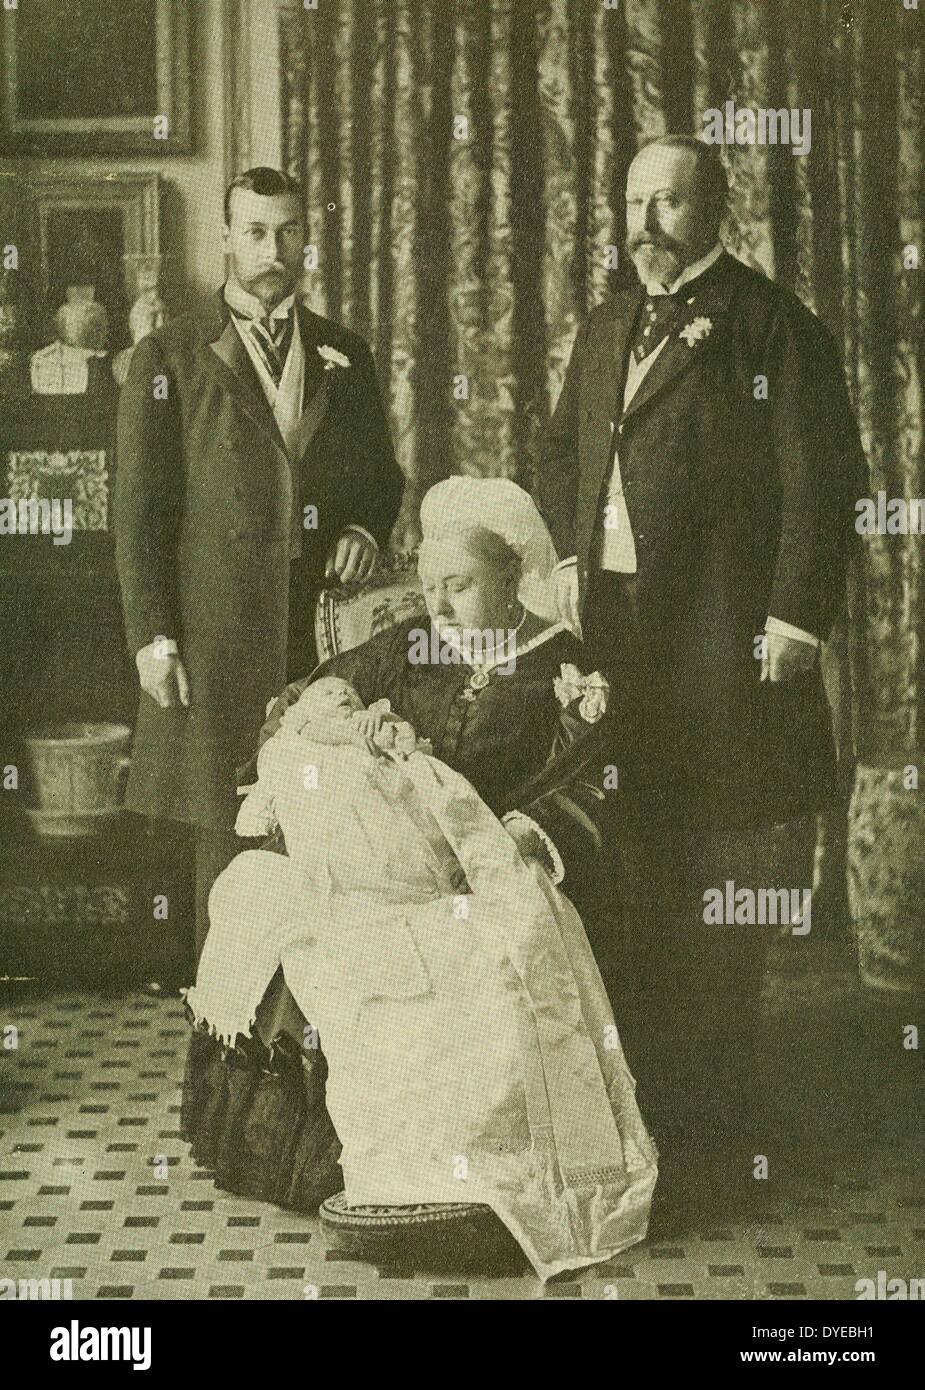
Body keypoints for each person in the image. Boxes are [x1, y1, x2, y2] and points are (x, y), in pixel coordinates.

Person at [181, 477, 656, 1276]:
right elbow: (302, 702)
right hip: (392, 865)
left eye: (460, 586)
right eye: (429, 586)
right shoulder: (407, 644)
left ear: (512, 575)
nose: (438, 605)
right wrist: (354, 724)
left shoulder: (564, 668)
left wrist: (521, 836)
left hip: (497, 866)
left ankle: (461, 1177)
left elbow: (600, 780)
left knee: (475, 951)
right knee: (281, 907)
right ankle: (364, 1166)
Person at [536, 133, 869, 1223]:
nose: (647, 223)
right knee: (631, 869)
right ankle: (647, 1111)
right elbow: (561, 454)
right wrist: (570, 562)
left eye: (670, 202)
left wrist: (792, 617)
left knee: (718, 881)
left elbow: (824, 480)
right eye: (635, 201)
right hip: (622, 641)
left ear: (714, 210)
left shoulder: (772, 327)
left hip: (726, 643)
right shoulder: (602, 326)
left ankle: (722, 1123)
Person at [114, 167, 404, 960]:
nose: (272, 249)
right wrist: (154, 637)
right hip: (215, 640)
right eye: (254, 232)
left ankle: (308, 1057)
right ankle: (228, 1055)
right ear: (226, 239)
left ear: (307, 237)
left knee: (323, 838)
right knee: (228, 851)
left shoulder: (345, 352)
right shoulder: (169, 355)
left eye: (286, 232)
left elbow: (382, 478)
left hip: (316, 642)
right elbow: (137, 514)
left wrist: (362, 529)